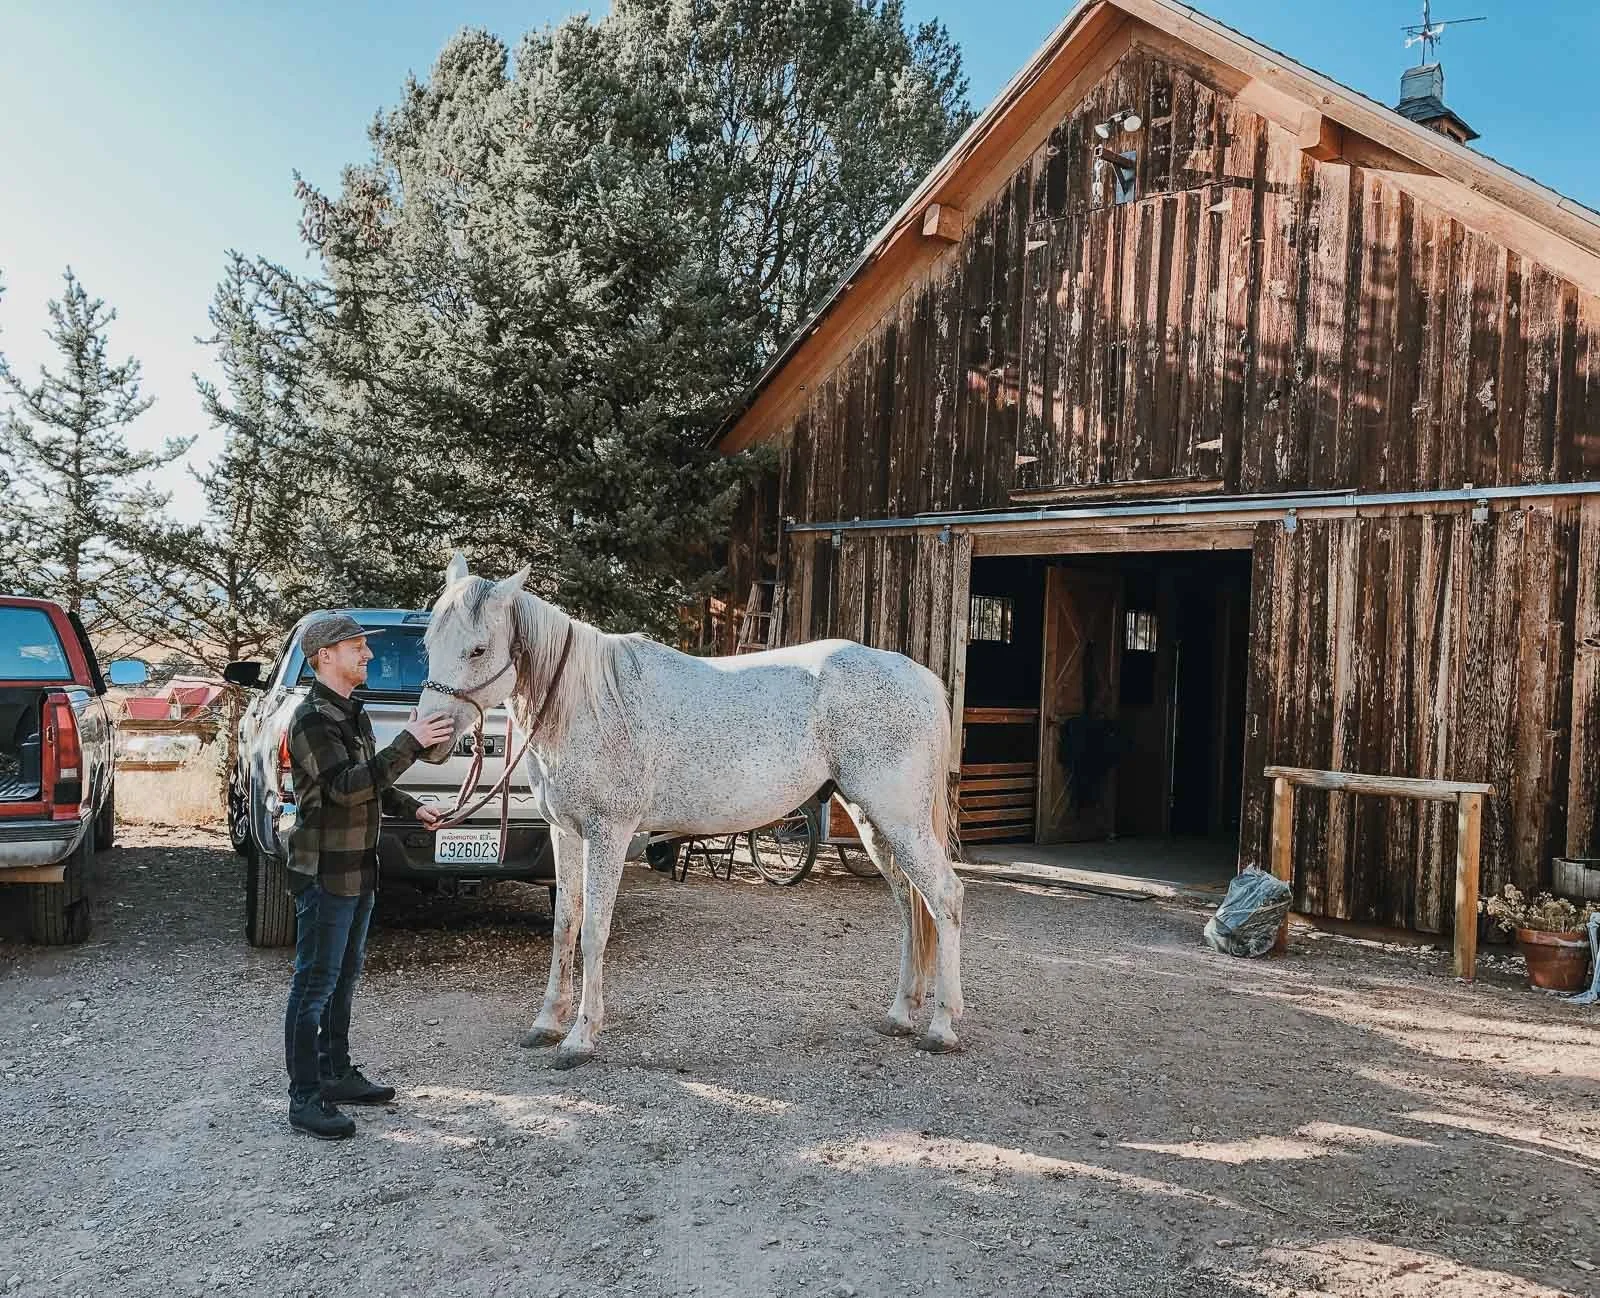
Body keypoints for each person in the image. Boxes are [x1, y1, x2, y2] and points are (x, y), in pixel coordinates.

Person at [282, 613, 456, 1140]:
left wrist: (412, 806)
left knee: (343, 979)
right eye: (357, 646)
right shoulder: (311, 719)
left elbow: (371, 783)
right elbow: (345, 787)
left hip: (360, 871)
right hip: (325, 874)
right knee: (314, 986)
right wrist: (409, 741)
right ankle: (304, 1099)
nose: (368, 654)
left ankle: (336, 1074)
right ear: (325, 656)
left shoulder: (353, 713)